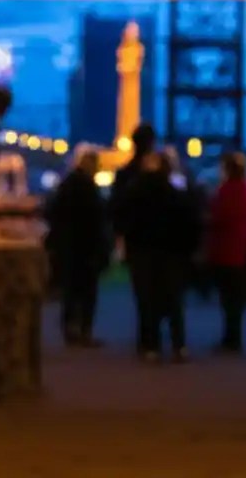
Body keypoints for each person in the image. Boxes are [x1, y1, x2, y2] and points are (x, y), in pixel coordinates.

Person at [122, 151, 200, 362]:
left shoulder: (135, 192)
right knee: (174, 301)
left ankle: (150, 345)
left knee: (147, 301)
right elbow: (190, 223)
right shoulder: (176, 193)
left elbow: (123, 220)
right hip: (172, 253)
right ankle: (178, 345)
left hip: (143, 251)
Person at [46, 150, 109, 347]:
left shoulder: (67, 185)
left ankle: (71, 329)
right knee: (85, 292)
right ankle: (83, 331)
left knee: (71, 291)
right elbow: (95, 220)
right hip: (84, 248)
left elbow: (55, 214)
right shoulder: (88, 188)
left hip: (69, 247)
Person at [111, 124, 158, 346]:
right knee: (160, 290)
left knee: (142, 291)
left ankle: (145, 336)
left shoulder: (125, 175)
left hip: (136, 239)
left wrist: (120, 233)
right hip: (160, 240)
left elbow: (117, 208)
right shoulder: (160, 174)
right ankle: (155, 335)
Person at [208, 152, 246, 353]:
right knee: (235, 300)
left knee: (228, 299)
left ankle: (231, 339)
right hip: (240, 248)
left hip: (226, 249)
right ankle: (233, 337)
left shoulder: (227, 191)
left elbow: (219, 216)